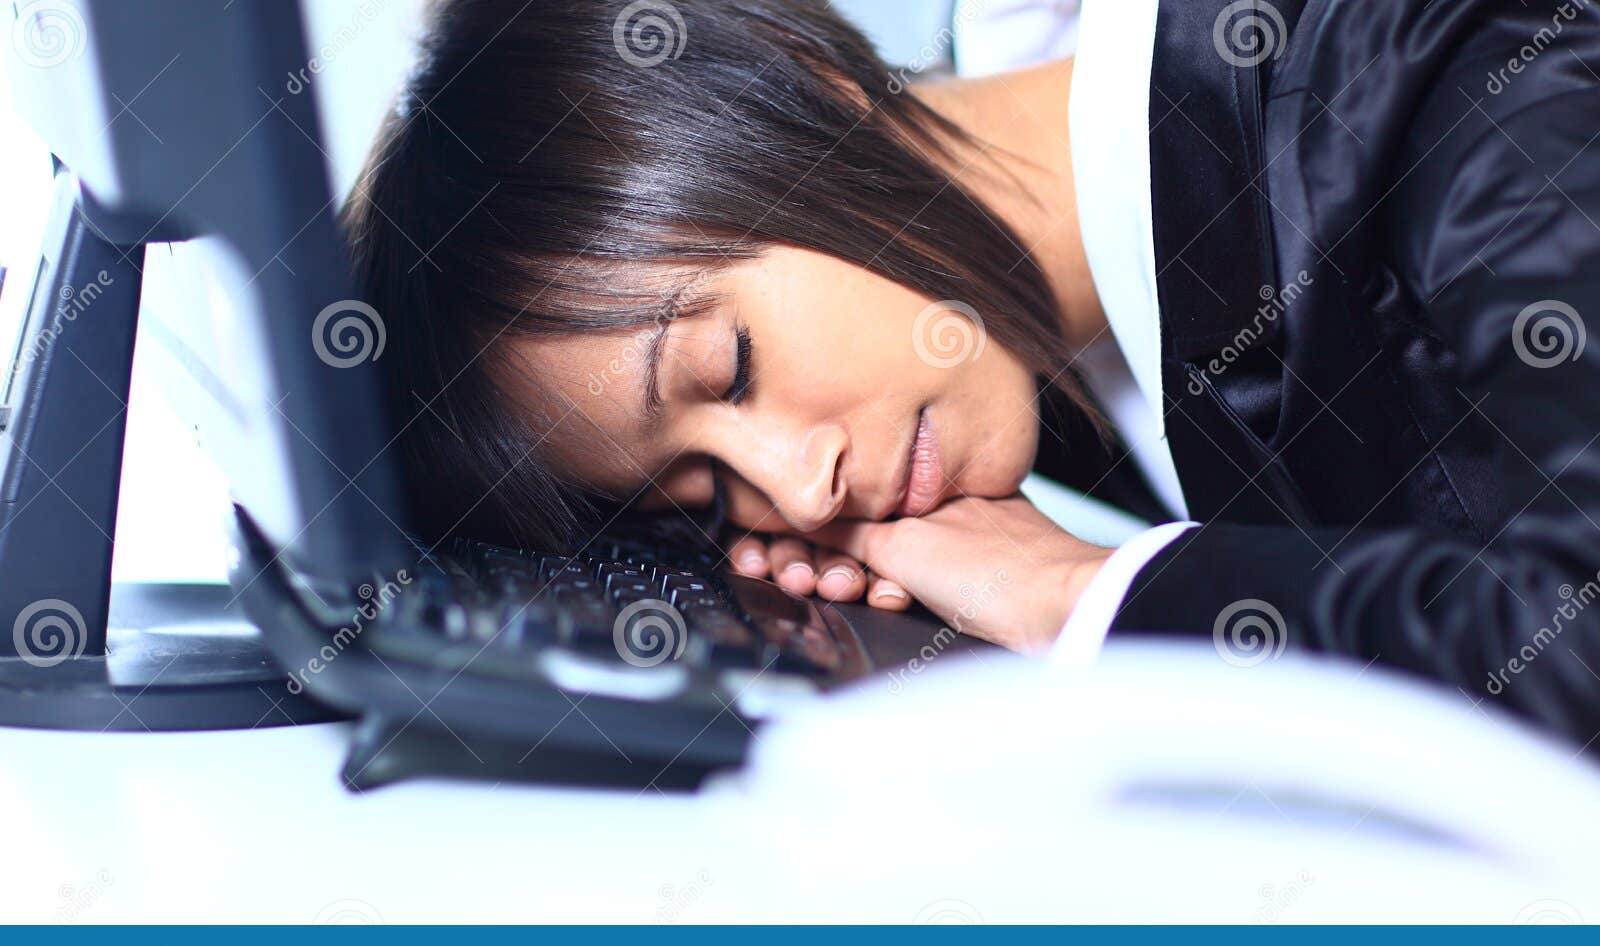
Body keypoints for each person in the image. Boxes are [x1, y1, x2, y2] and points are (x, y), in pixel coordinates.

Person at [342, 0, 1600, 742]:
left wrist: (1082, 594)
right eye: (698, 492)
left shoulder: (1469, 82)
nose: (800, 482)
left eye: (725, 372)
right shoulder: (999, 312)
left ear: (807, 92)